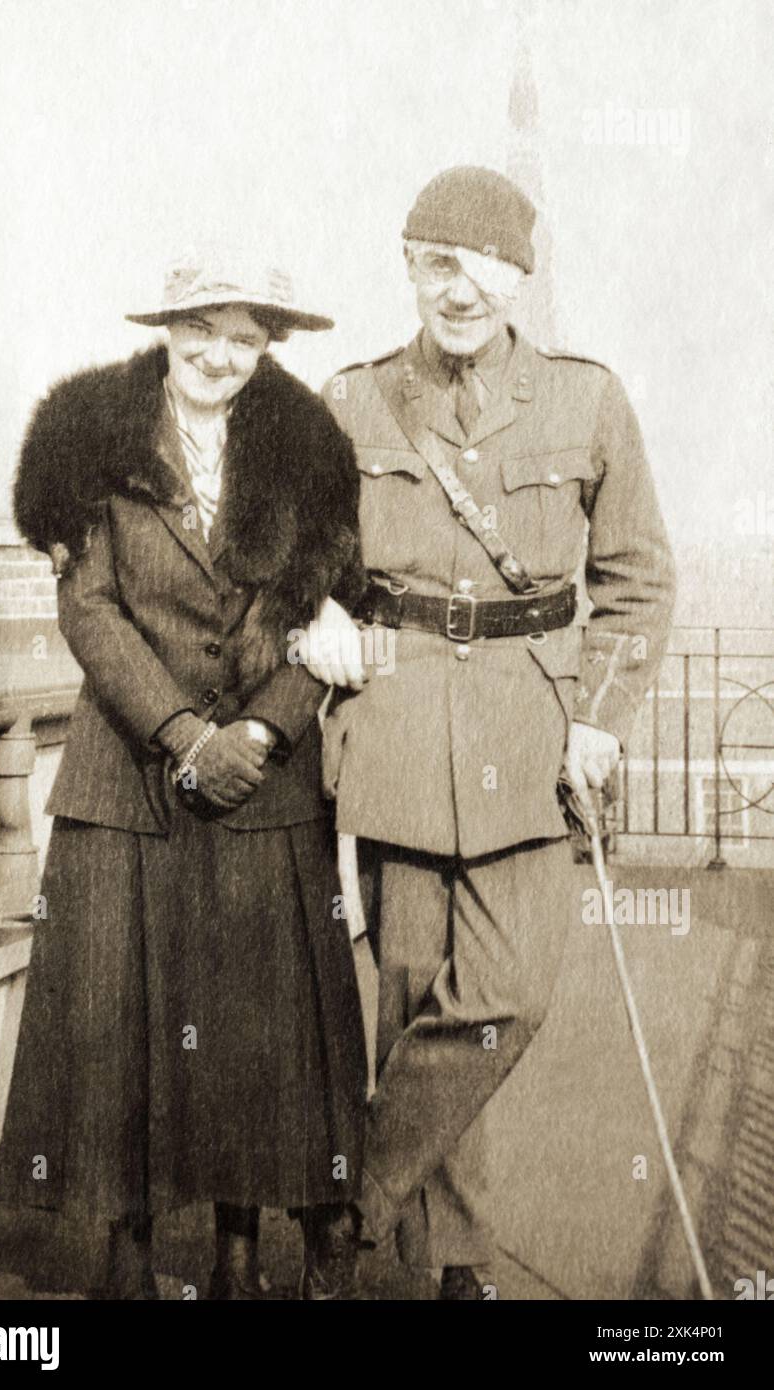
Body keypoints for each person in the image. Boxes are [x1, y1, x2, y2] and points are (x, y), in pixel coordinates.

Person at [0, 246, 367, 1300]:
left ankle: (241, 1254)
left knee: (252, 1024)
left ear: (268, 346)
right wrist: (185, 733)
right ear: (167, 326)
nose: (220, 356)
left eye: (245, 339)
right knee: (116, 1024)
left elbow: (331, 605)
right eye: (203, 329)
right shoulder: (92, 437)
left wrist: (269, 733)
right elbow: (88, 606)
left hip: (268, 778)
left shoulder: (310, 449)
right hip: (125, 777)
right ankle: (125, 1256)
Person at [312, 167, 676, 1298]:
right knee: (414, 996)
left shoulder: (586, 399)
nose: (457, 288)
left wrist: (601, 725)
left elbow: (637, 583)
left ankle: (350, 1197)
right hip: (400, 728)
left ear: (518, 276)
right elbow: (302, 563)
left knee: (507, 996)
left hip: (531, 734)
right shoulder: (351, 400)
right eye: (434, 264)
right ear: (409, 270)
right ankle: (451, 1260)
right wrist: (316, 608)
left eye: (480, 267)